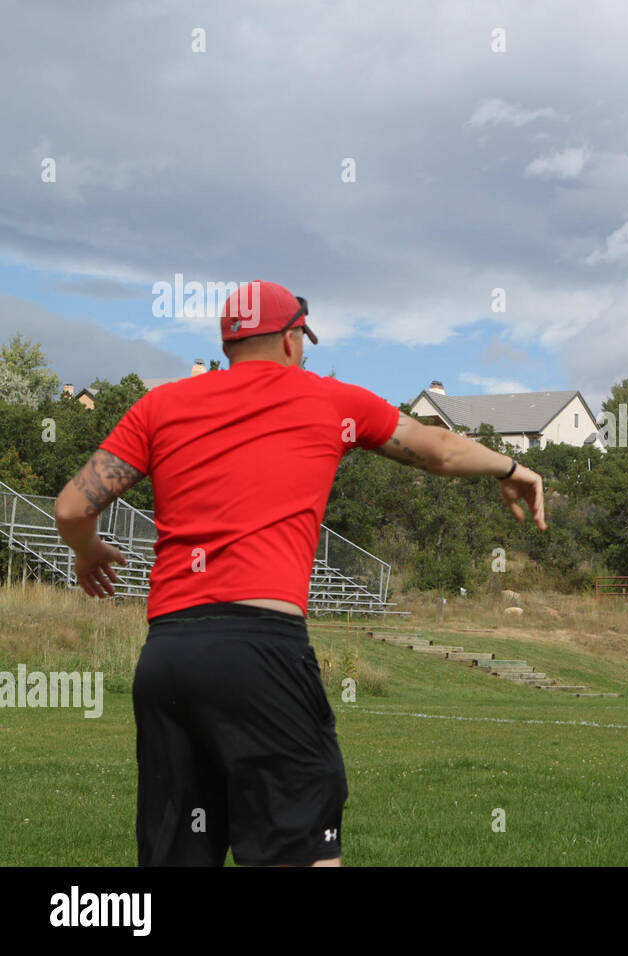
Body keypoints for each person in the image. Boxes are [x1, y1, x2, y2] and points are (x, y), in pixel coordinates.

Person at [53, 279, 546, 867]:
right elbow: (437, 448)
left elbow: (70, 508)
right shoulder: (329, 400)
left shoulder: (161, 404)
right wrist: (510, 466)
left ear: (229, 342)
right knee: (301, 850)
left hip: (168, 657)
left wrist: (88, 553)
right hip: (260, 650)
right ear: (292, 339)